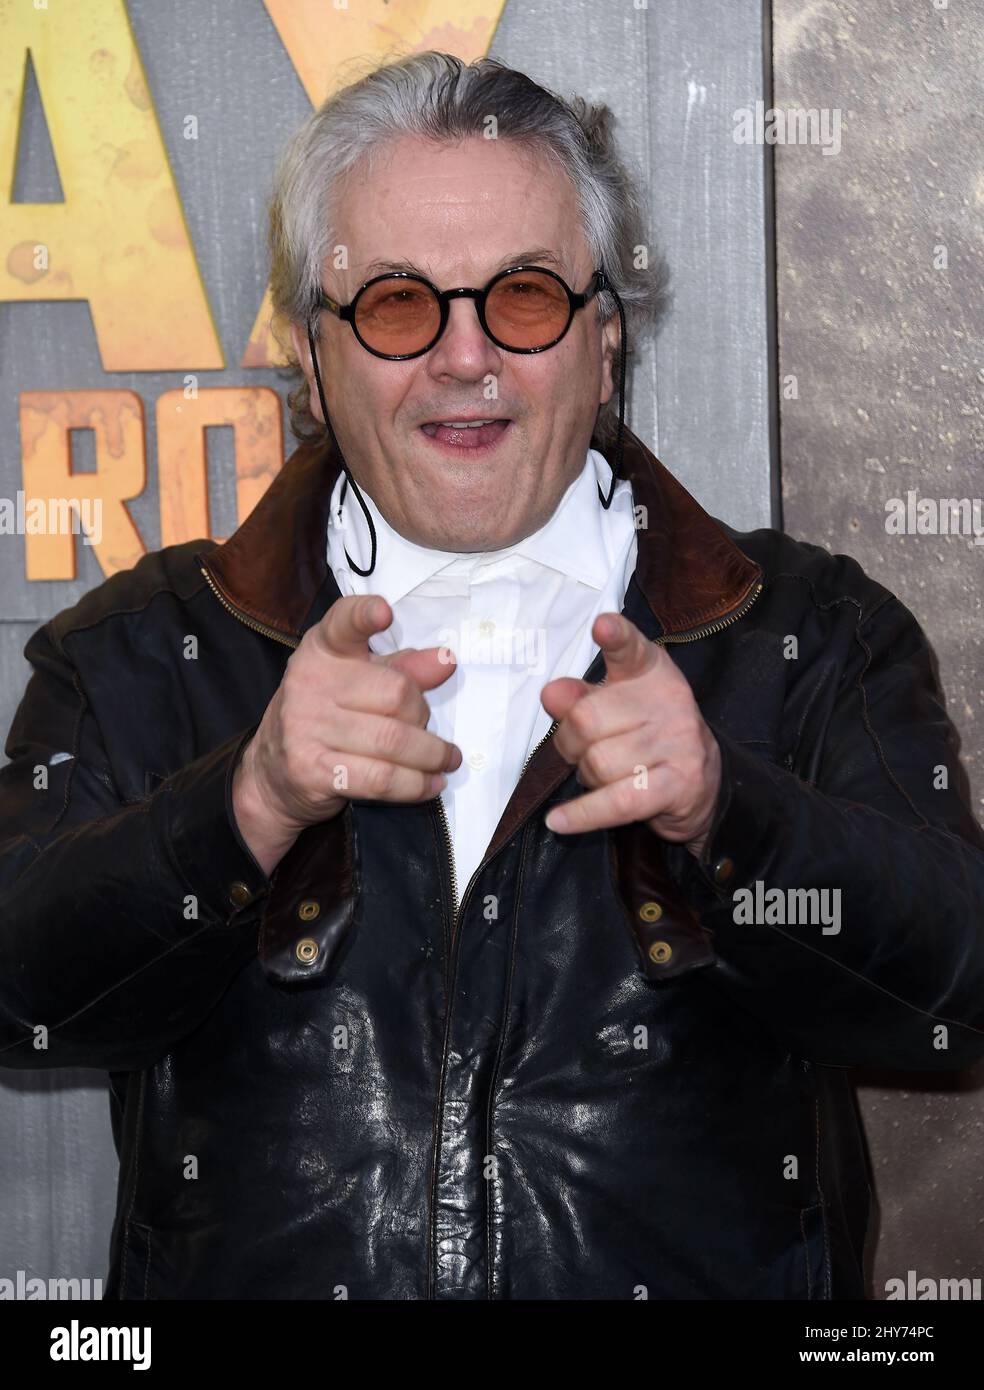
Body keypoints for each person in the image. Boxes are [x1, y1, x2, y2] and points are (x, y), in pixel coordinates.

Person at [1, 51, 983, 1302]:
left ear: (607, 339)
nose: (467, 359)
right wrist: (241, 807)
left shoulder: (806, 635)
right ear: (312, 357)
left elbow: (954, 993)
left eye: (521, 297)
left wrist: (731, 813)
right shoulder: (141, 648)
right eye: (401, 306)